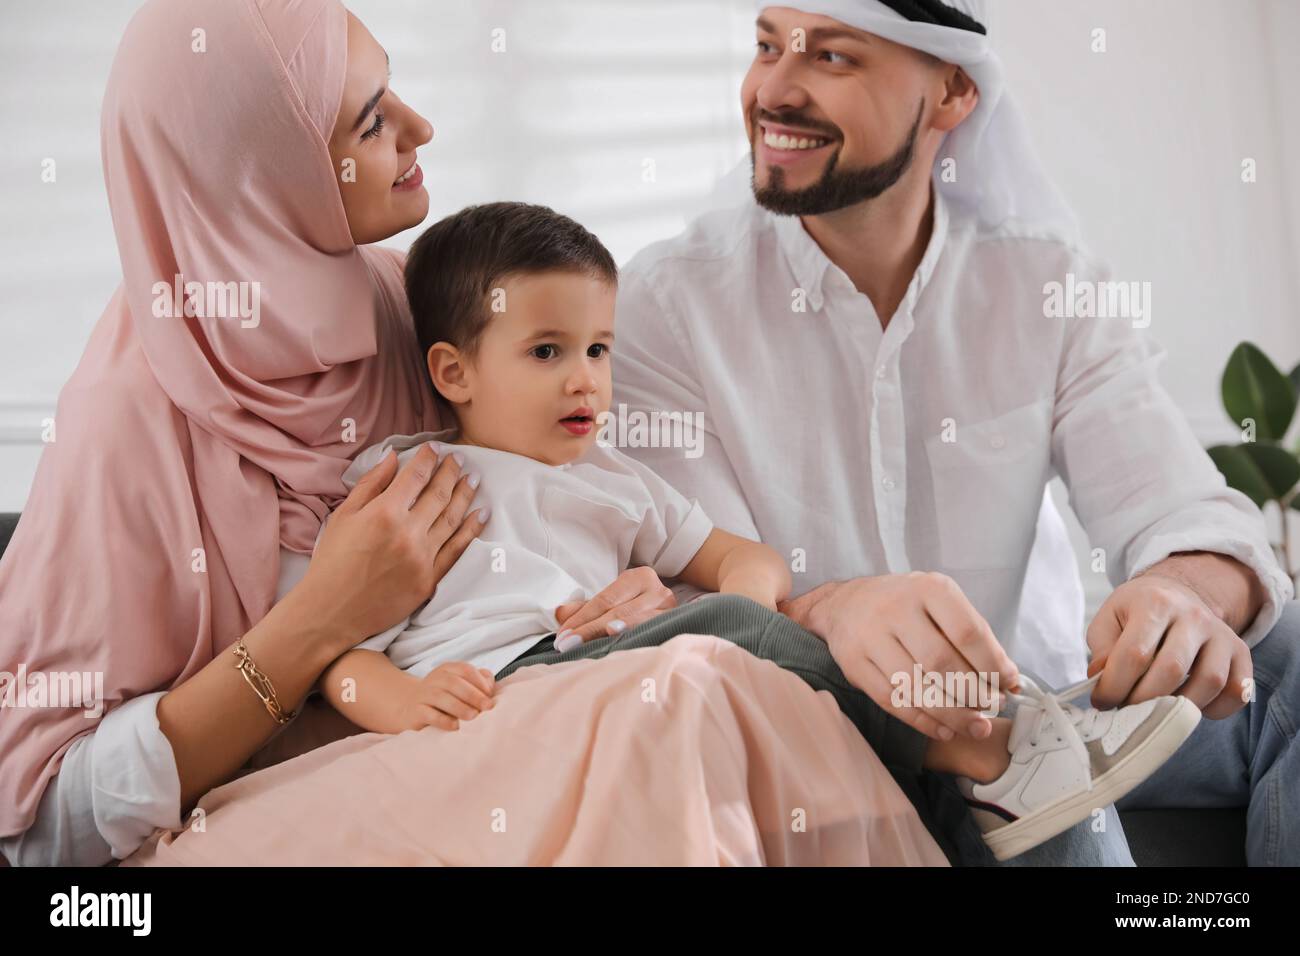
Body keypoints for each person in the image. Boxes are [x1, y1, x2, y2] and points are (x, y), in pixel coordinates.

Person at [610, 0, 1299, 865]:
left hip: (1051, 704)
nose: (772, 90)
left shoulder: (1046, 285)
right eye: (765, 47)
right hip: (844, 733)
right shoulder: (664, 307)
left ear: (951, 93)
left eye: (832, 58)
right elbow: (695, 601)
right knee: (1042, 791)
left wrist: (1185, 593)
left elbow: (1183, 507)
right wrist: (833, 608)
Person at [317, 200, 1209, 862]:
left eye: (599, 349)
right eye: (547, 352)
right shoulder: (412, 481)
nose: (586, 380)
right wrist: (399, 704)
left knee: (816, 705)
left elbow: (745, 561)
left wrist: (723, 617)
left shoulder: (617, 483)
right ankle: (999, 744)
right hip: (508, 683)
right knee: (745, 643)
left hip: (604, 675)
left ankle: (975, 810)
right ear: (453, 370)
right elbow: (336, 647)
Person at [0, 0, 669, 866]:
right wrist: (319, 623)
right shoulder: (127, 415)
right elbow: (48, 828)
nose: (421, 127)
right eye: (370, 121)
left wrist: (625, 592)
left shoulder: (411, 307)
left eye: (394, 90)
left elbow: (549, 509)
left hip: (505, 764)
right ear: (255, 172)